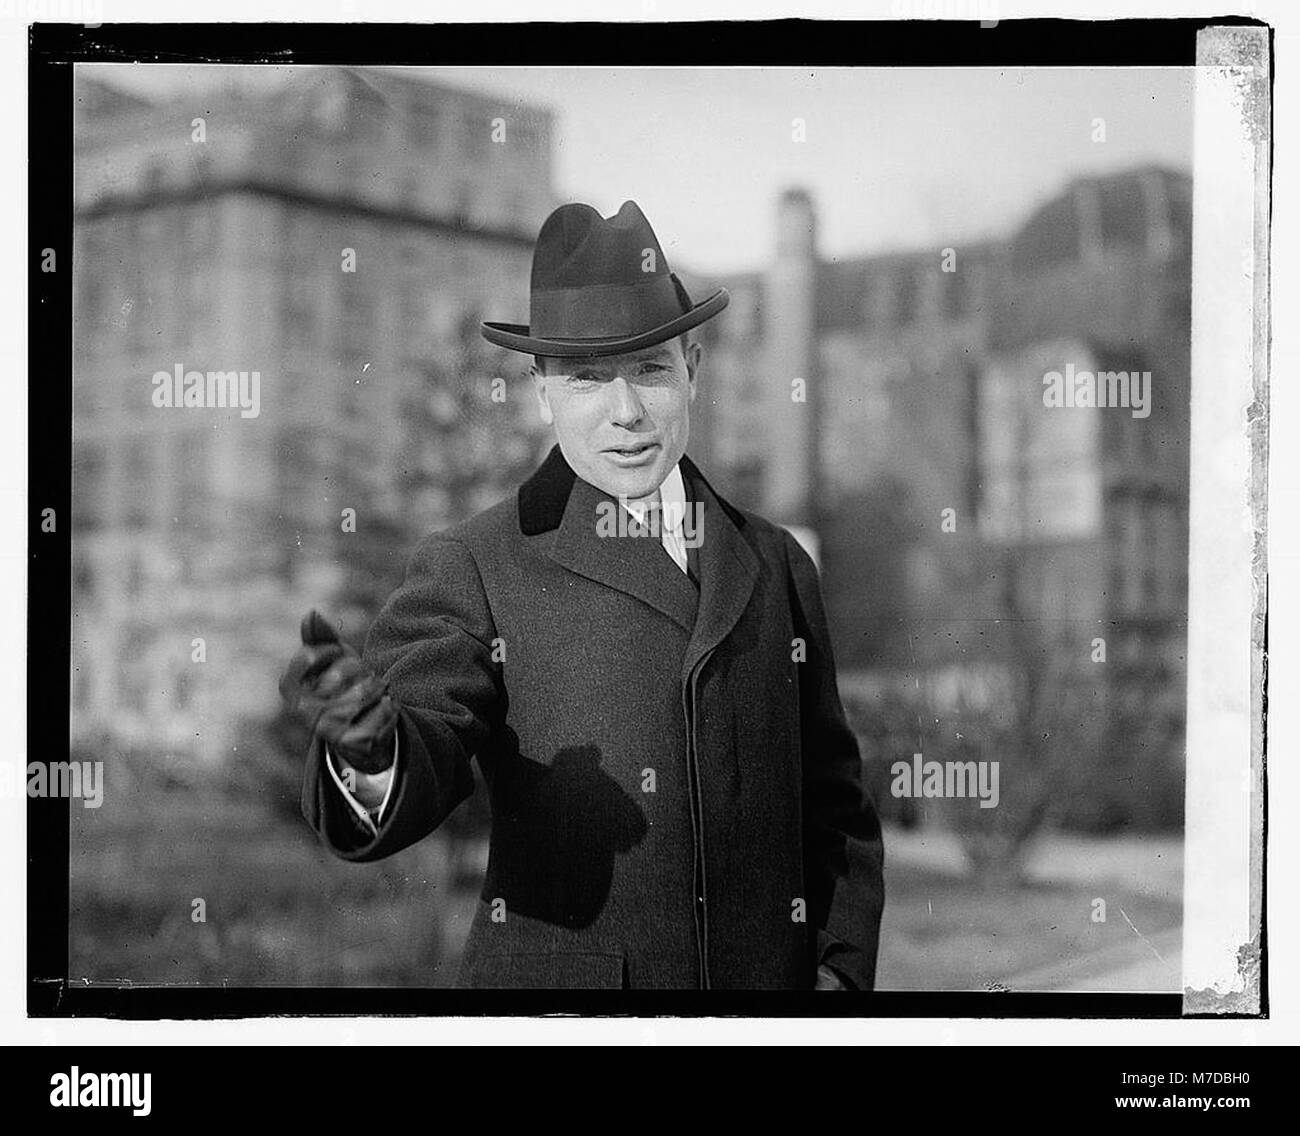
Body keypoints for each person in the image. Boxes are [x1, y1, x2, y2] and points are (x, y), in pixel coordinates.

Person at [279, 199, 884, 990]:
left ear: (693, 371)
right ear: (542, 394)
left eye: (651, 370)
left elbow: (834, 802)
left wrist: (837, 974)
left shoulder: (775, 563)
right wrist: (372, 749)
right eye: (588, 379)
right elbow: (424, 744)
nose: (626, 413)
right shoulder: (477, 564)